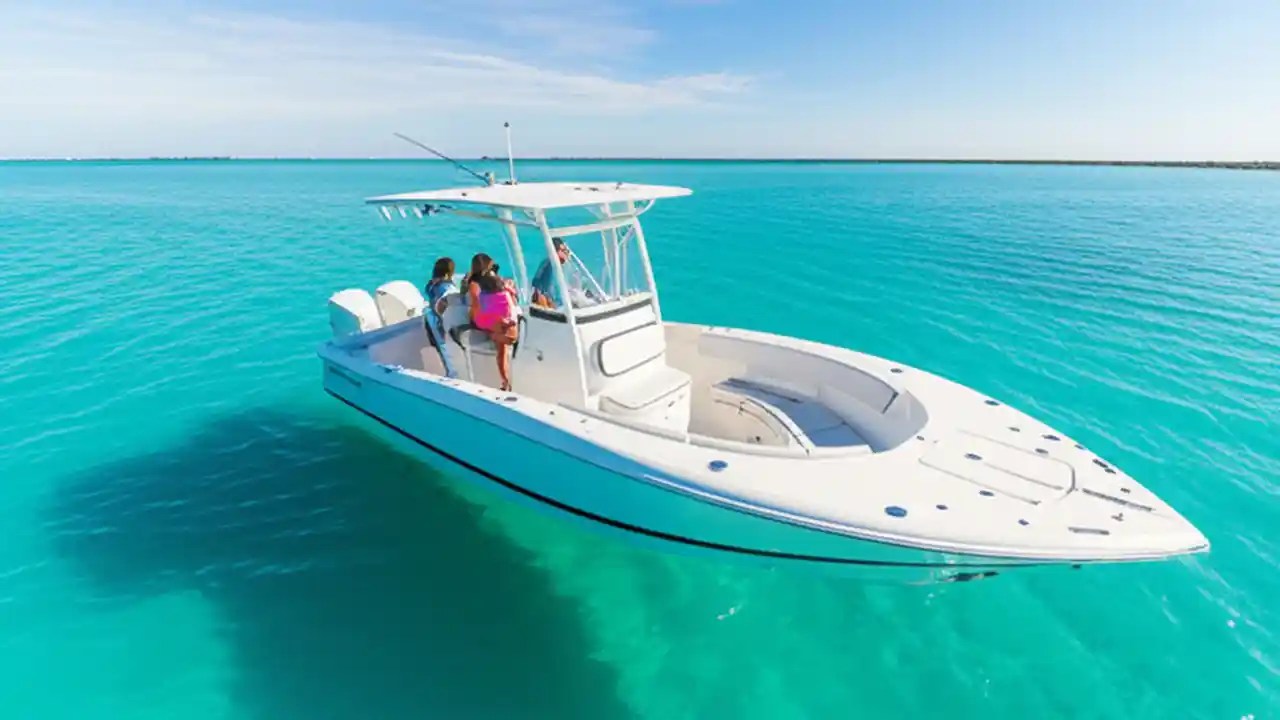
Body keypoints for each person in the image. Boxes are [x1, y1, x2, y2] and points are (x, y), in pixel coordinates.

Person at [471, 268, 519, 391]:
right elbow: (512, 303)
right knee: (503, 350)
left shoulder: (484, 296)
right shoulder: (505, 292)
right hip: (503, 321)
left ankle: (505, 381)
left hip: (494, 322)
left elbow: (482, 310)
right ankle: (505, 381)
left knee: (502, 351)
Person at [423, 256, 457, 378]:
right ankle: (453, 374)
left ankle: (450, 373)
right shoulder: (447, 287)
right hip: (443, 321)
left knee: (443, 350)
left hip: (433, 322)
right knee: (448, 350)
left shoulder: (431, 285)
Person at [530, 237, 571, 308]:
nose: (567, 253)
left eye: (567, 250)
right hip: (551, 303)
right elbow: (536, 282)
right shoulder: (548, 264)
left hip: (561, 303)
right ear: (555, 252)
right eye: (563, 250)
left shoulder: (564, 266)